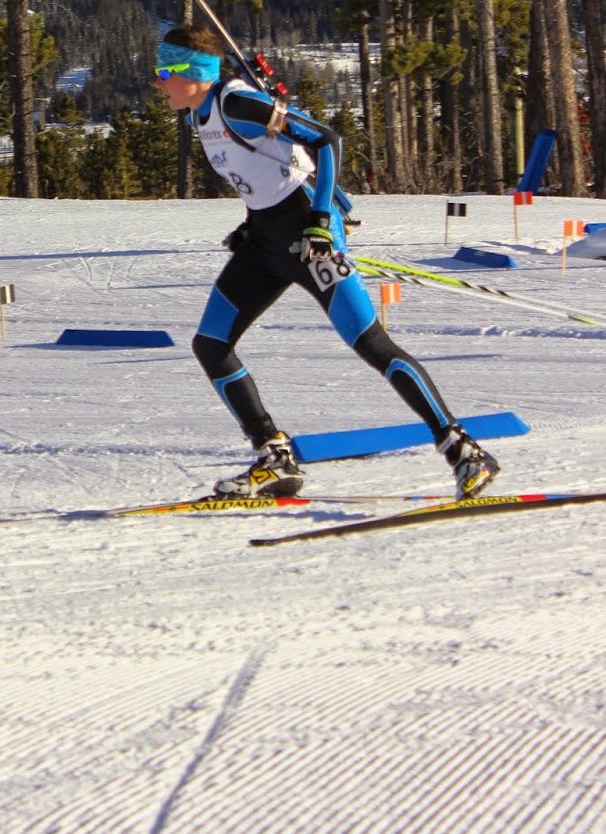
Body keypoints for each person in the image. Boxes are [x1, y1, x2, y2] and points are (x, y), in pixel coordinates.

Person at [154, 25, 500, 501]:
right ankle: (274, 458)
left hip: (310, 237)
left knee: (371, 342)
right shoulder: (201, 115)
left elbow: (325, 141)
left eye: (164, 72)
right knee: (211, 344)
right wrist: (253, 223)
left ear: (191, 73)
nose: (157, 82)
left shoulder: (237, 103)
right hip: (268, 241)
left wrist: (320, 220)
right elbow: (266, 172)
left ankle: (463, 450)